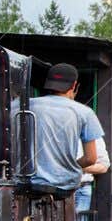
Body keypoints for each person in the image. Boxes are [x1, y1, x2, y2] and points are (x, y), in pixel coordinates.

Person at [28, 62, 104, 193]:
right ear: (74, 85)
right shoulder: (85, 112)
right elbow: (91, 158)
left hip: (25, 182)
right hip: (62, 187)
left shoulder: (22, 105)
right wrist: (67, 166)